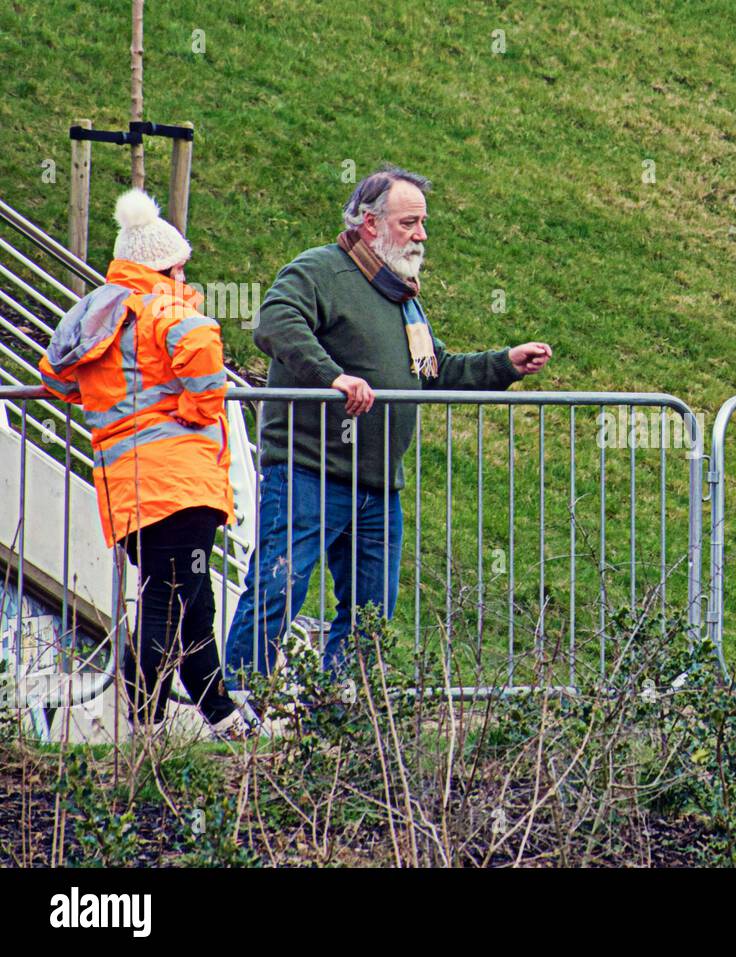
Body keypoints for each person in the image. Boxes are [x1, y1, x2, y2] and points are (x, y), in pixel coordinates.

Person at [224, 166, 552, 684]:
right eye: (409, 223)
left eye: (422, 223)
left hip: (377, 486)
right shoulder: (317, 271)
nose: (421, 235)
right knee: (276, 592)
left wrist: (505, 363)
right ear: (371, 225)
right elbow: (275, 322)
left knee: (369, 615)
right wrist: (333, 377)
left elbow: (434, 371)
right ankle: (239, 706)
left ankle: (340, 716)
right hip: (308, 473)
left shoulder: (403, 296)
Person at [39, 189, 245, 739]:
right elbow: (203, 346)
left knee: (190, 604)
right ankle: (146, 730)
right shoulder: (168, 306)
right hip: (179, 485)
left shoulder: (101, 311)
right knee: (167, 606)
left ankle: (223, 716)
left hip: (127, 491)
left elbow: (56, 377)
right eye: (183, 267)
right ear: (168, 266)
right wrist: (195, 406)